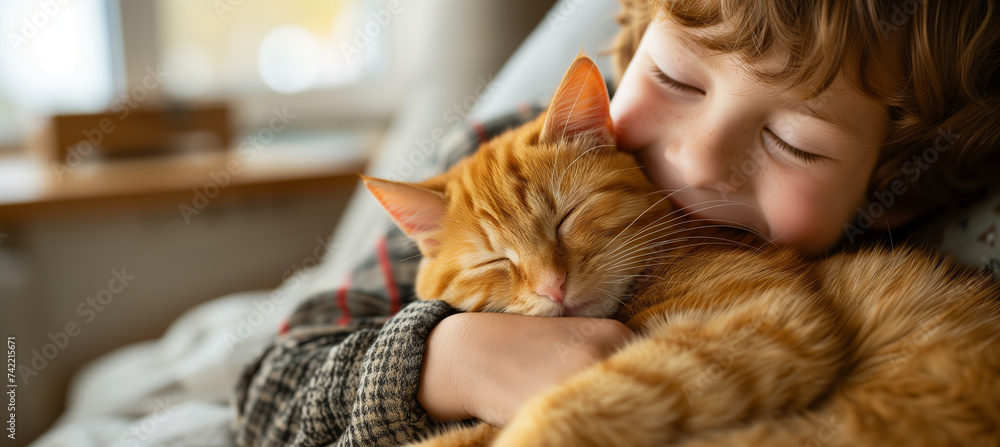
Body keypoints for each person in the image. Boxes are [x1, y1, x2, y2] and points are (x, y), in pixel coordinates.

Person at [231, 1, 1000, 445]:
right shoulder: (509, 156)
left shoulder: (854, 235)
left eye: (793, 141)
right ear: (625, 57)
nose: (700, 163)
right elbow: (269, 392)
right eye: (673, 78)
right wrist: (446, 355)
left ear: (895, 188)